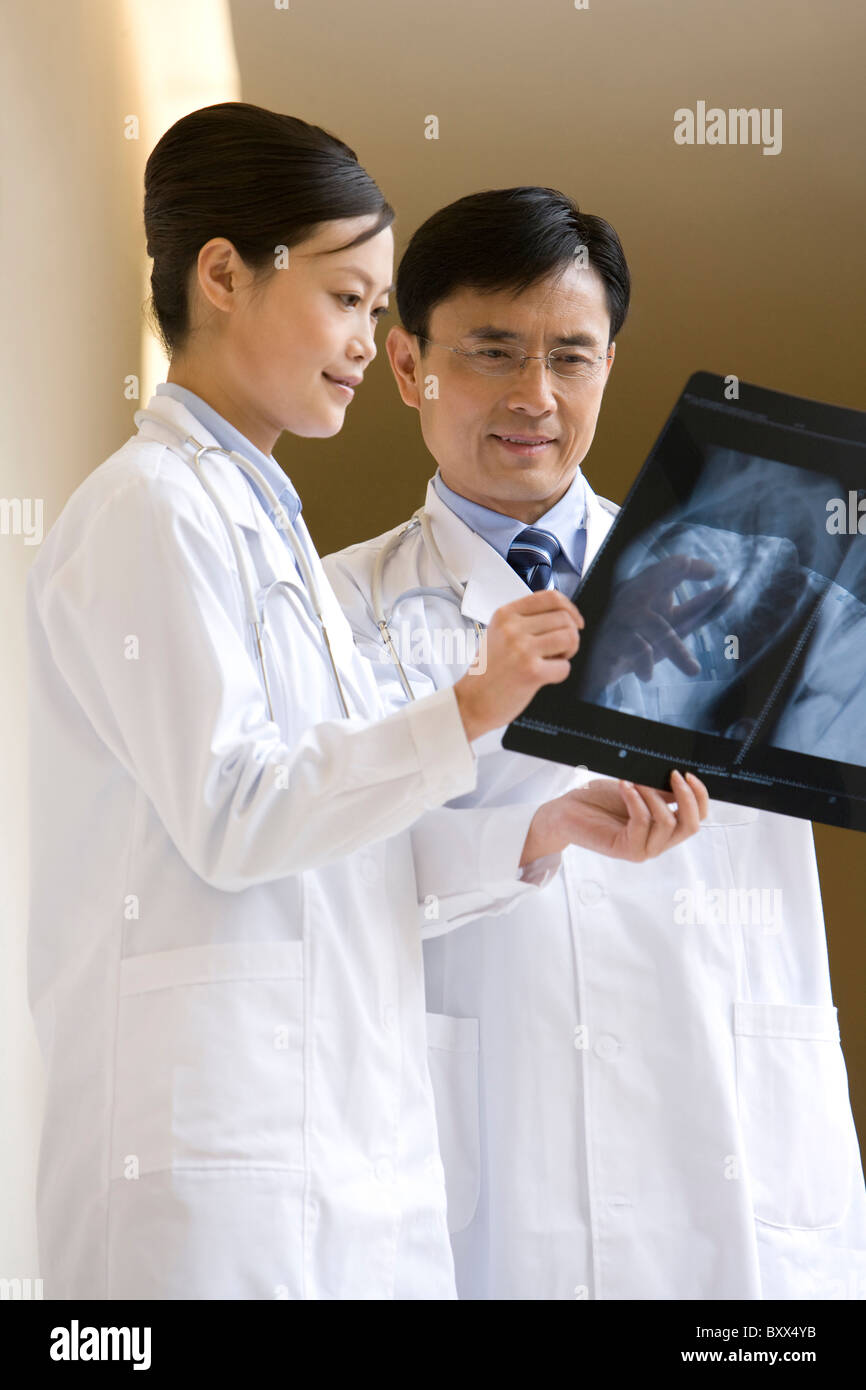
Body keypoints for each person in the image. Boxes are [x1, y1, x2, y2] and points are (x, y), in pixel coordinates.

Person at [25, 109, 706, 1302]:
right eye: (346, 299)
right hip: (221, 1168)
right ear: (225, 275)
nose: (366, 342)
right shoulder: (151, 510)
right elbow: (239, 813)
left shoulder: (264, 526)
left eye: (375, 310)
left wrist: (530, 832)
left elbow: (343, 861)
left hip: (335, 1157)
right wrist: (470, 704)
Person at [324, 186, 866, 1300]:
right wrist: (518, 833)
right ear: (405, 364)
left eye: (570, 356)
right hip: (480, 1180)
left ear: (608, 365)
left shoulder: (753, 580)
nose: (534, 396)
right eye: (491, 350)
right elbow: (314, 887)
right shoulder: (327, 612)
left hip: (720, 1151)